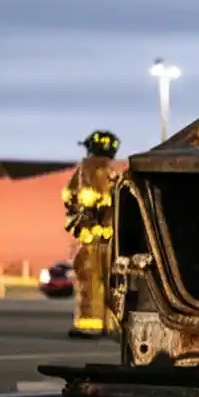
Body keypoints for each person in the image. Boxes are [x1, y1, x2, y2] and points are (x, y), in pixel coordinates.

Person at [64, 130, 121, 338]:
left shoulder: (88, 169)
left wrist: (82, 223)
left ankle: (90, 324)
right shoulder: (114, 171)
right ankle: (112, 325)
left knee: (89, 280)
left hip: (91, 237)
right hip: (112, 238)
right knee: (112, 283)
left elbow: (73, 199)